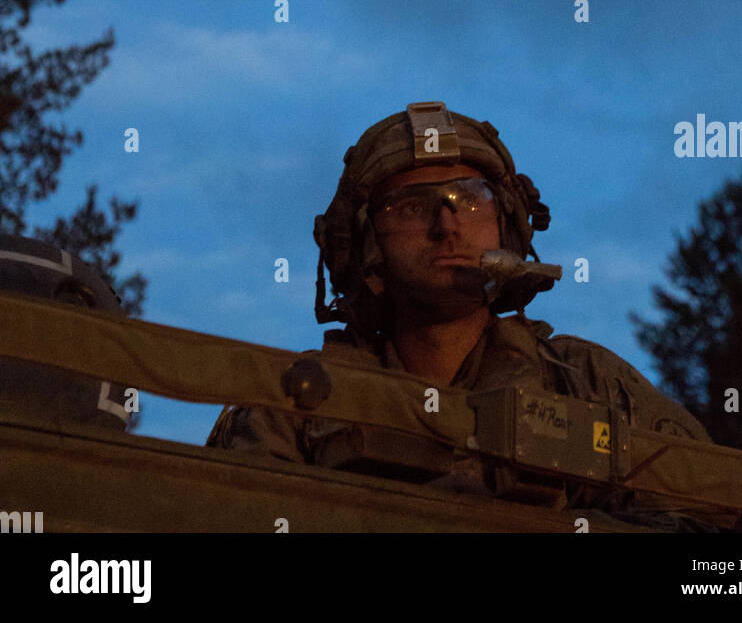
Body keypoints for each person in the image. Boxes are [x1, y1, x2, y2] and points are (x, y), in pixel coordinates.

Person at [207, 103, 709, 508]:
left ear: (507, 225)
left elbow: (718, 521)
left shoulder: (584, 382)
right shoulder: (297, 401)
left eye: (471, 201)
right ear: (366, 245)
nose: (447, 227)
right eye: (412, 207)